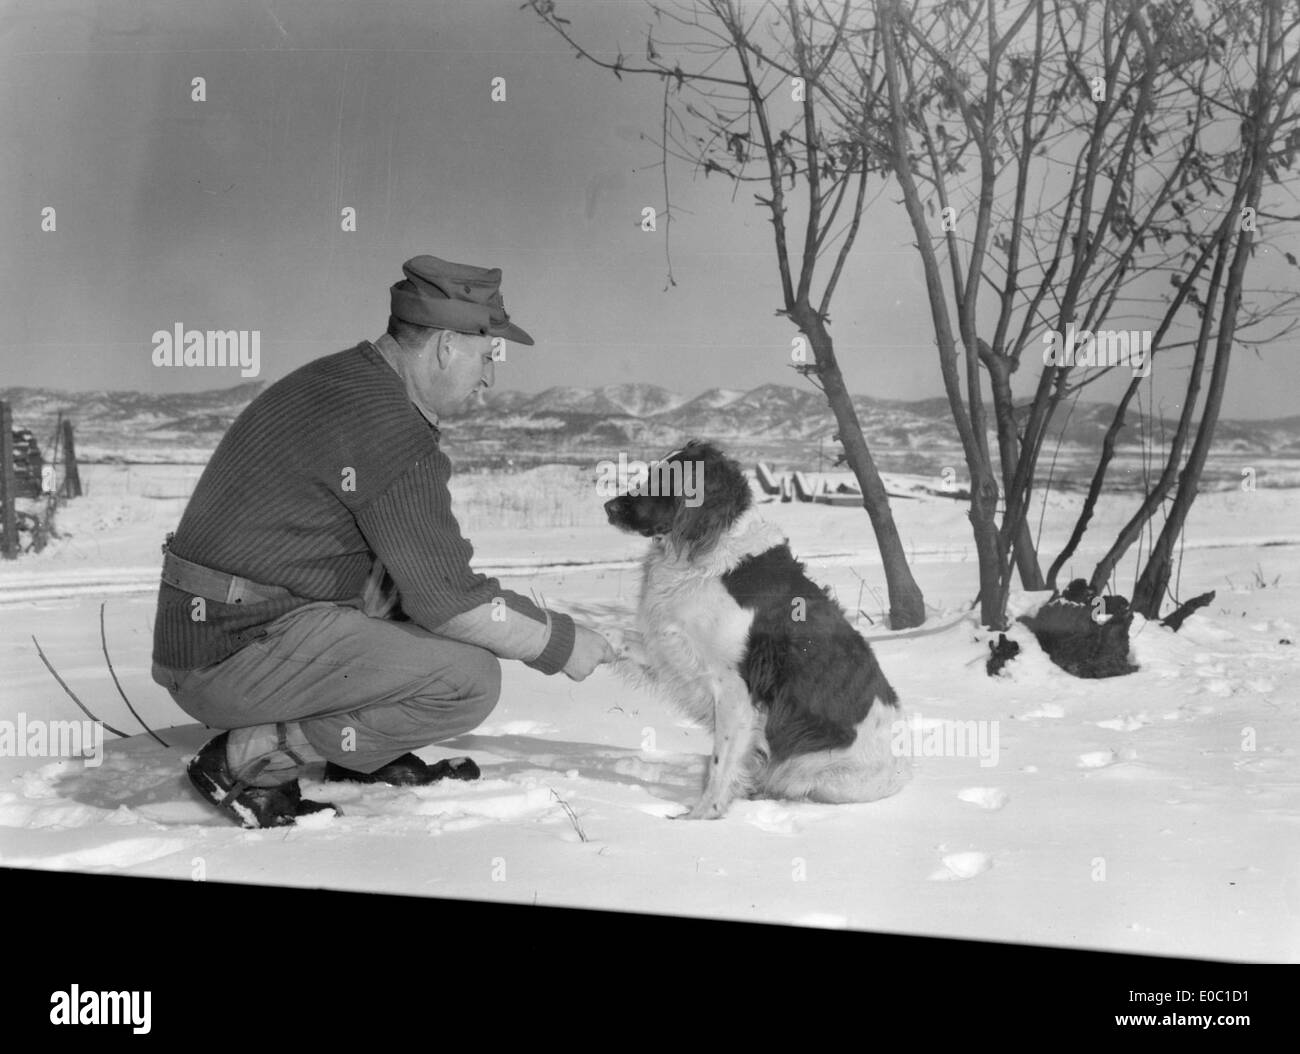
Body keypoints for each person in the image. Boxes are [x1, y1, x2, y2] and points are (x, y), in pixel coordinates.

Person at [151, 254, 615, 828]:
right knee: (468, 680)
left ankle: (358, 753)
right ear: (446, 345)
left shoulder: (344, 379)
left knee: (397, 592)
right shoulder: (389, 427)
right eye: (487, 355)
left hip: (207, 638)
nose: (490, 376)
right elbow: (456, 606)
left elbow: (416, 582)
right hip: (226, 659)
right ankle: (249, 761)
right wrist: (561, 642)